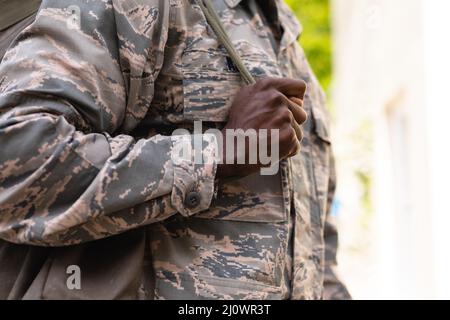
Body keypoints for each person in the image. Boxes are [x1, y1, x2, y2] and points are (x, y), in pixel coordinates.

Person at [0, 0, 350, 300]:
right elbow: (15, 165)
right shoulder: (138, 8)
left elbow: (317, 252)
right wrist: (218, 153)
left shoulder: (282, 32)